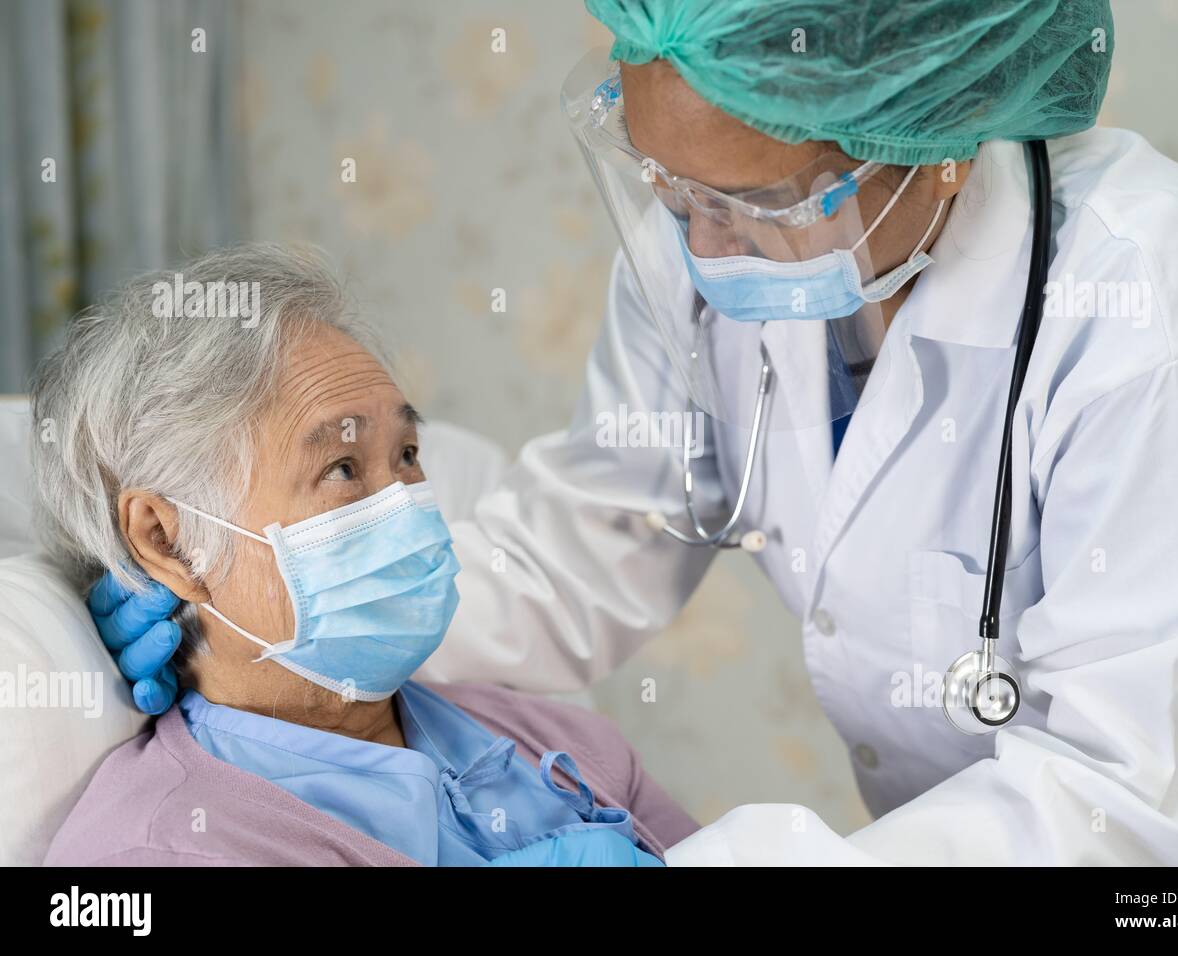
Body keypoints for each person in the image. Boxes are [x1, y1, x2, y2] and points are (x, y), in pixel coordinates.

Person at [94, 0, 1178, 865]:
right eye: (671, 191)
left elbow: (1130, 806)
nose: (701, 248)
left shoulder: (1166, 319)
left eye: (756, 201)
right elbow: (581, 551)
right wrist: (276, 618)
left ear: (933, 151)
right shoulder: (709, 259)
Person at [34, 243, 696, 866]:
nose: (404, 505)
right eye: (342, 467)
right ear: (166, 540)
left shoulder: (564, 744)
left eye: (407, 455)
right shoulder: (164, 850)